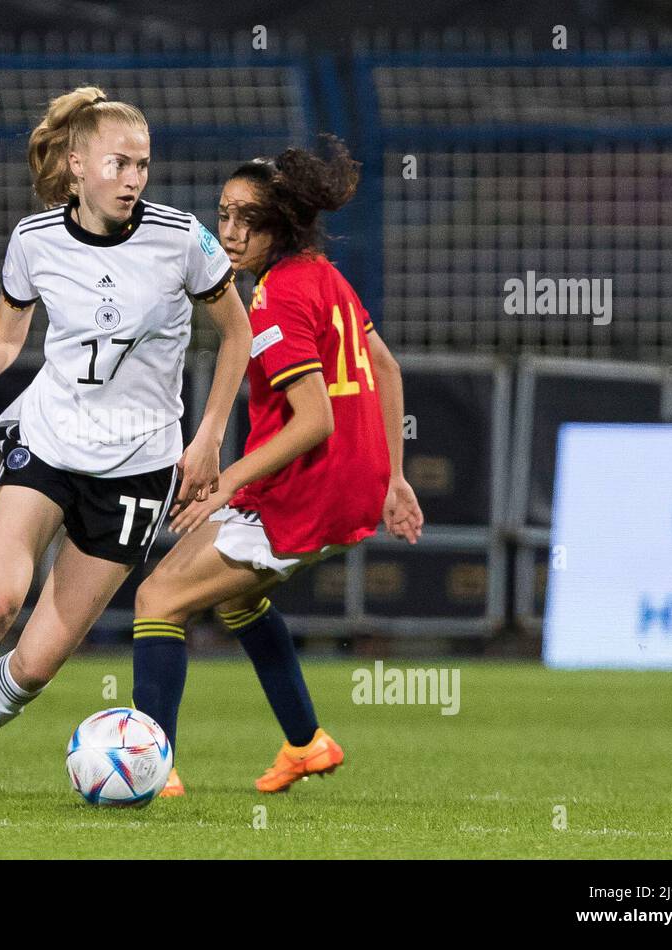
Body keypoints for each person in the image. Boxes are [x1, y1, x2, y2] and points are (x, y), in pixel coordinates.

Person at [0, 86, 252, 804]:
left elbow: (236, 335)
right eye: (119, 164)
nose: (134, 179)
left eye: (143, 165)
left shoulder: (182, 239)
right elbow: (6, 337)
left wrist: (207, 438)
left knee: (36, 667)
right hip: (48, 443)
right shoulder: (34, 239)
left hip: (138, 472)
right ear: (78, 164)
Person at [130, 136, 425, 796]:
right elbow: (385, 365)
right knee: (237, 598)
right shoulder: (325, 276)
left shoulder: (275, 298)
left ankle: (150, 770)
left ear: (280, 225)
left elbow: (314, 418)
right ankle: (307, 742)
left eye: (247, 220)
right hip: (353, 485)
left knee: (157, 598)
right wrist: (395, 477)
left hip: (304, 492)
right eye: (224, 215)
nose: (229, 234)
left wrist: (225, 479)